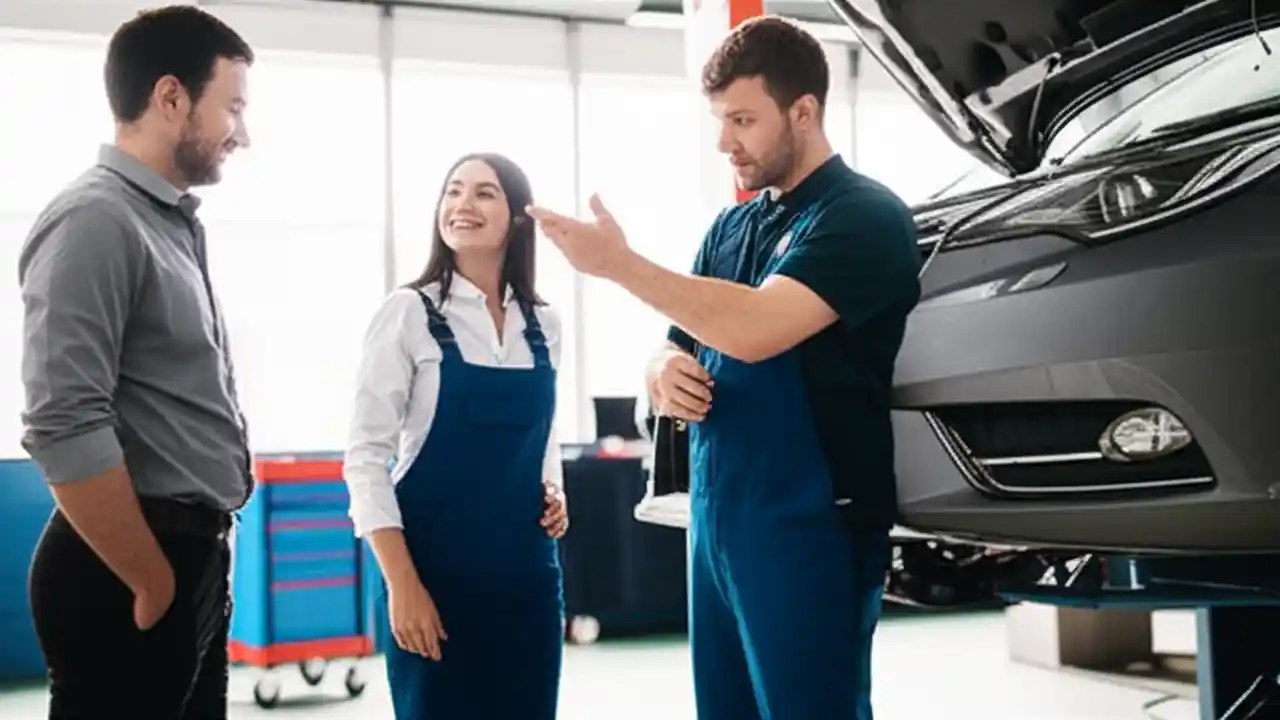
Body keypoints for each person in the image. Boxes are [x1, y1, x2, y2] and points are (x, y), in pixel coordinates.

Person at [527, 15, 922, 720]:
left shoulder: (864, 218)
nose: (723, 141)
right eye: (718, 119)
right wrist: (659, 372)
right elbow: (681, 338)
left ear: (804, 112)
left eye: (742, 119)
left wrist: (619, 266)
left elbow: (754, 328)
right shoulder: (732, 226)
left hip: (811, 525)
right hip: (716, 521)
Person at [17, 6, 255, 719]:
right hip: (128, 567)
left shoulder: (167, 223)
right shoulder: (95, 220)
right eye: (233, 108)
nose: (242, 135)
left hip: (190, 557)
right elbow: (63, 420)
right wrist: (151, 579)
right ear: (170, 97)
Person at [343, 152, 571, 720]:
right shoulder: (409, 313)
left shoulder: (545, 324)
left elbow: (544, 434)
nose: (462, 204)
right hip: (433, 578)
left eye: (484, 193)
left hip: (526, 583)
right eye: (453, 191)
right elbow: (366, 455)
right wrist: (402, 584)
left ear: (518, 218)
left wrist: (553, 490)